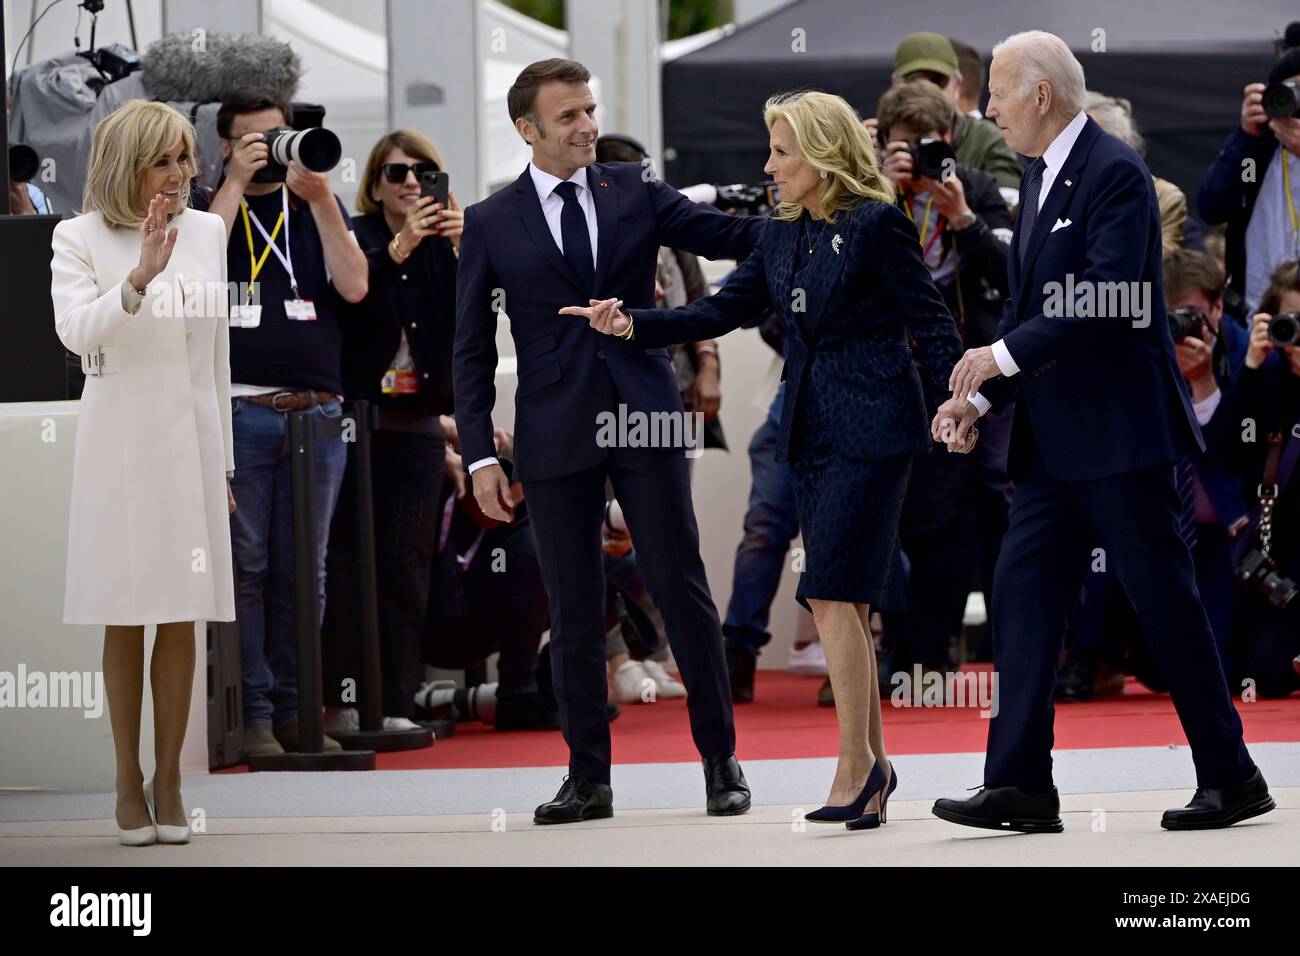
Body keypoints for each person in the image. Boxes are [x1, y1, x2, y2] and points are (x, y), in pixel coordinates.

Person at [566, 89, 965, 831]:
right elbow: (715, 312)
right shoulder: (781, 233)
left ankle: (858, 767)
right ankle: (868, 764)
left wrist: (961, 404)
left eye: (782, 151)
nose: (769, 165)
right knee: (836, 595)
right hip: (809, 431)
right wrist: (629, 326)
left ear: (821, 154)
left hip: (876, 428)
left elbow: (933, 326)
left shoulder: (878, 224)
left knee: (831, 590)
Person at [932, 30, 1273, 832]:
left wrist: (997, 356)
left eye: (998, 95)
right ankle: (1019, 783)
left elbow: (1106, 296)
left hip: (1123, 439)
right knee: (1022, 598)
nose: (988, 110)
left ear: (1041, 95)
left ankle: (1231, 774)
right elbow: (1028, 310)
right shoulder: (1040, 172)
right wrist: (980, 401)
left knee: (1166, 605)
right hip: (1053, 445)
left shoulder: (1113, 172)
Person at [453, 58, 761, 824]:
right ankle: (587, 777)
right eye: (569, 116)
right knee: (574, 602)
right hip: (554, 428)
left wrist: (821, 214)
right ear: (529, 131)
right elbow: (470, 350)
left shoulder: (634, 188)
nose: (588, 125)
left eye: (590, 109)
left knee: (681, 586)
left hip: (646, 414)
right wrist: (483, 455)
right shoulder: (491, 220)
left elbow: (727, 235)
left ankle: (722, 762)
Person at [50, 100, 235, 846]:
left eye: (187, 158)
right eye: (165, 160)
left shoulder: (210, 230)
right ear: (129, 166)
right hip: (118, 445)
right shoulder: (78, 235)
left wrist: (221, 462)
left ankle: (171, 779)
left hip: (188, 442)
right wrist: (137, 279)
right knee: (125, 612)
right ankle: (127, 782)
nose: (183, 174)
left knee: (183, 614)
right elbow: (75, 333)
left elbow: (216, 358)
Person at [197, 87, 368, 760]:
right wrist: (234, 181)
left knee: (308, 570)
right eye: (255, 139)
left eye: (279, 135)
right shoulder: (208, 211)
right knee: (248, 566)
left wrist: (322, 197)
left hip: (317, 413)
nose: (272, 149)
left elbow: (354, 285)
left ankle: (302, 713)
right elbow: (199, 275)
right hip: (242, 408)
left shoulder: (311, 204)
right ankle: (256, 716)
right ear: (225, 143)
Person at [320, 129, 462, 734]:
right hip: (357, 421)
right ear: (374, 185)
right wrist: (397, 249)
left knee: (407, 568)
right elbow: (353, 307)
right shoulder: (359, 237)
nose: (409, 183)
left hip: (420, 426)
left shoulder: (451, 242)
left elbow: (473, 328)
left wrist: (463, 255)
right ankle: (344, 701)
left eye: (421, 172)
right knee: (349, 564)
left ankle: (397, 703)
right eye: (395, 173)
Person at [874, 78, 1014, 685]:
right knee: (893, 516)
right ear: (884, 144)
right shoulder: (865, 195)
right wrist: (883, 191)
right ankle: (894, 651)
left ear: (953, 140)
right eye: (907, 147)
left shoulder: (976, 190)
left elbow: (1017, 277)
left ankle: (935, 652)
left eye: (931, 146)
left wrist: (964, 219)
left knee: (950, 517)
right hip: (883, 375)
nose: (923, 160)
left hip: (962, 374)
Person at [1198, 28, 1300, 316]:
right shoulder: (1259, 147)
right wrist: (1245, 137)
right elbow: (1212, 207)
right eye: (1293, 92)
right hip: (1257, 316)